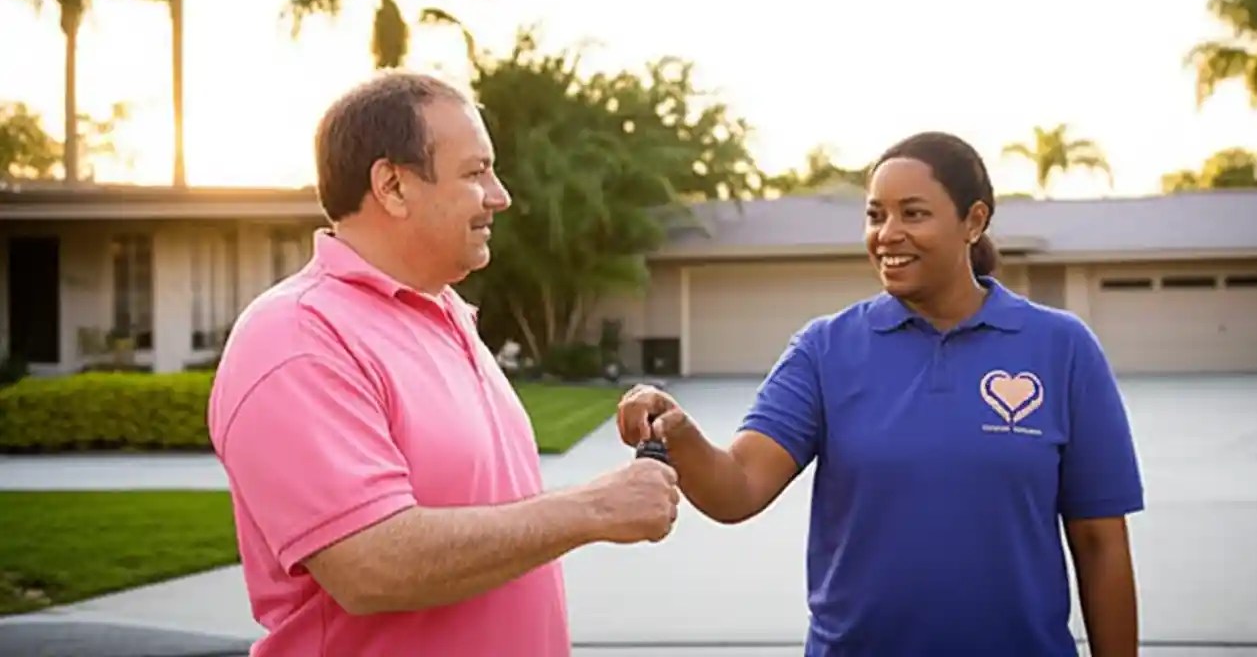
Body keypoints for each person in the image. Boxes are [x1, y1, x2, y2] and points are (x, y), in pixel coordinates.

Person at [207, 71, 680, 657]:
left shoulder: (446, 315)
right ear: (393, 186)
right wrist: (593, 509)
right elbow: (371, 563)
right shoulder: (298, 336)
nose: (500, 196)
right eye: (476, 172)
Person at [617, 131, 1144, 656]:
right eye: (875, 216)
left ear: (974, 221)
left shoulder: (1061, 348)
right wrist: (679, 432)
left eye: (913, 214)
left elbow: (1100, 544)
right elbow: (738, 489)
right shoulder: (825, 350)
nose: (888, 234)